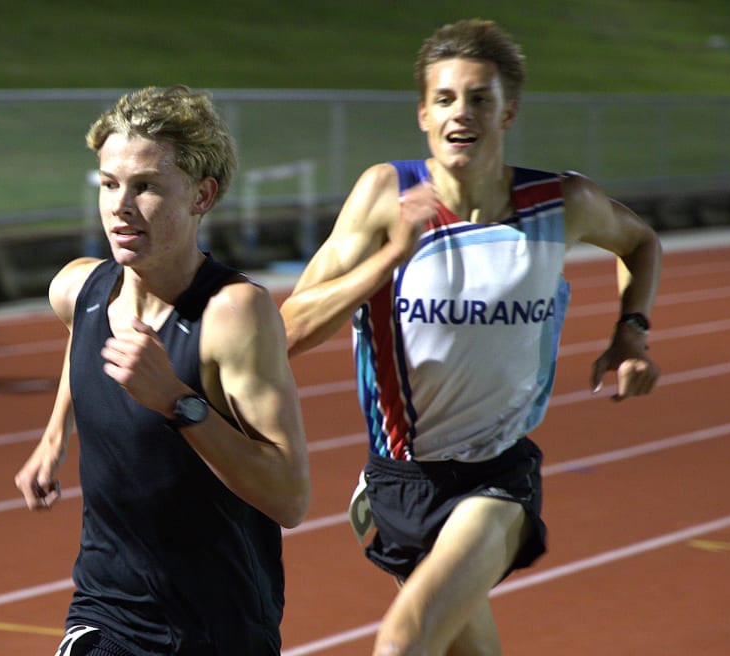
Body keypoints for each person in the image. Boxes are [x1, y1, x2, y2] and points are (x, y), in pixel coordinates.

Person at [280, 19, 661, 656]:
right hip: (399, 482)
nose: (464, 112)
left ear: (508, 112)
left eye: (480, 98)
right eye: (448, 98)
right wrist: (388, 257)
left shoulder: (558, 204)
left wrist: (633, 330)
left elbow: (641, 241)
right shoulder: (386, 194)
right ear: (424, 114)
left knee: (402, 643)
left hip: (496, 478)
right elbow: (289, 329)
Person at [14, 85, 311, 656]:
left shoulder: (232, 315)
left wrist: (178, 402)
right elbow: (82, 341)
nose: (120, 206)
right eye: (108, 184)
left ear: (202, 195)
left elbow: (289, 497)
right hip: (108, 613)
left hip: (218, 628)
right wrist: (55, 436)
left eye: (146, 186)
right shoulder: (77, 289)